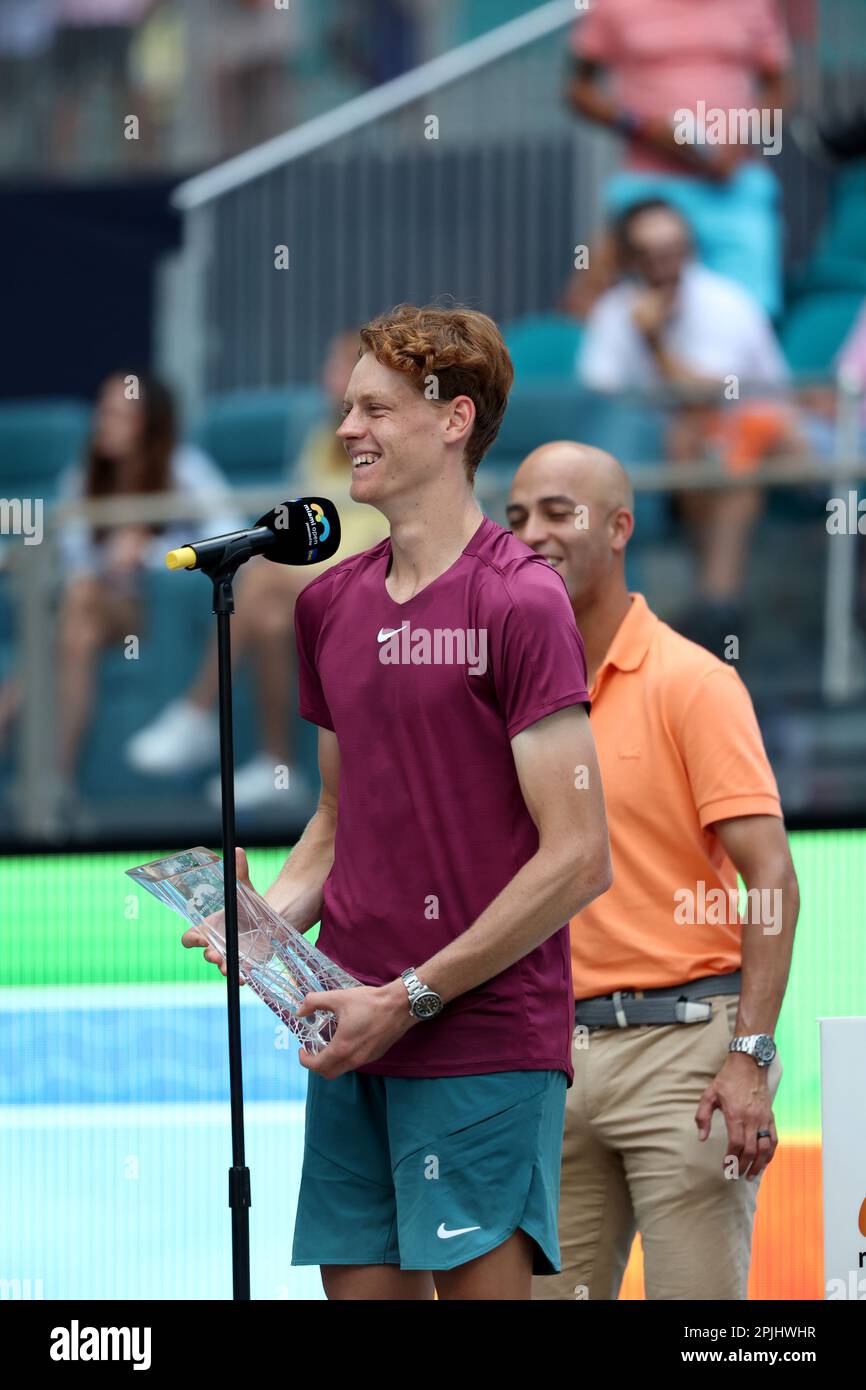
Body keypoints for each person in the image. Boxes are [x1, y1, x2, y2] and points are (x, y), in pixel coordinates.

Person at [182, 304, 612, 1300]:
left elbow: (579, 856)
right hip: (348, 1033)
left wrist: (409, 996)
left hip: (478, 1042)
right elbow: (336, 824)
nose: (347, 429)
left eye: (374, 408)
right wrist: (262, 922)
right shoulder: (327, 603)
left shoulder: (522, 599)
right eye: (347, 408)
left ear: (454, 420)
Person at [505, 440, 798, 1301]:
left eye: (558, 511)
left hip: (686, 1057)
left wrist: (749, 1055)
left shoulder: (693, 682)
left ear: (621, 527)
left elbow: (772, 878)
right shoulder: (509, 697)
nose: (531, 534)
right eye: (516, 517)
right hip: (550, 1059)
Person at [125, 331, 390, 813]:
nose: (327, 379)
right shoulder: (321, 439)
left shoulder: (384, 440)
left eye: (338, 368)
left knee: (260, 573)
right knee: (267, 620)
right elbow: (307, 518)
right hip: (318, 575)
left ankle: (197, 710)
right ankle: (277, 765)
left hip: (370, 575)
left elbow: (380, 530)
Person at [0, 370, 239, 818]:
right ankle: (59, 783)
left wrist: (150, 553)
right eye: (102, 411)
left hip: (159, 609)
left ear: (147, 422)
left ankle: (14, 717)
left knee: (75, 610)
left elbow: (229, 534)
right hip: (95, 606)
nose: (103, 423)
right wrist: (106, 562)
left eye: (118, 413)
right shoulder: (83, 475)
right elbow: (72, 557)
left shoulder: (184, 466)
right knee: (79, 629)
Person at [579, 197, 803, 651]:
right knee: (695, 447)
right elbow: (601, 402)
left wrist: (655, 344)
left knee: (721, 441)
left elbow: (710, 399)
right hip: (682, 461)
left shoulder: (725, 304)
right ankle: (715, 604)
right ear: (629, 260)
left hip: (770, 443)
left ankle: (713, 604)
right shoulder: (613, 312)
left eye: (675, 251)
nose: (666, 266)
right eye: (651, 255)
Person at [565, 0, 791, 319]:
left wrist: (743, 140)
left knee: (749, 313)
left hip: (733, 188)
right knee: (604, 308)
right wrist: (642, 128)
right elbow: (578, 90)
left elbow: (778, 87)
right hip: (645, 187)